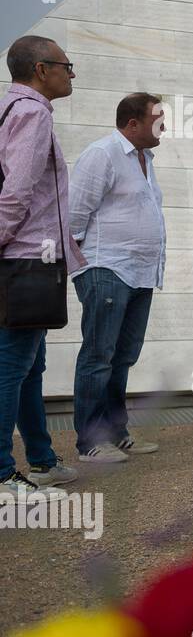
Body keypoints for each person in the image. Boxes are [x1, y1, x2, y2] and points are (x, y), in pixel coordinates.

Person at [0, 36, 85, 496]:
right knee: (12, 365)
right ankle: (2, 475)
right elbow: (17, 192)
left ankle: (41, 461)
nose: (71, 74)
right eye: (66, 66)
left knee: (30, 366)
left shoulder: (10, 110)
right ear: (40, 70)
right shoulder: (31, 113)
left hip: (30, 257)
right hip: (27, 260)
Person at [67, 92, 167, 463]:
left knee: (123, 356)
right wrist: (83, 269)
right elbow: (75, 216)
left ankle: (116, 431)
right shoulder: (102, 154)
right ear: (132, 124)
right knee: (99, 355)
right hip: (106, 269)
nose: (164, 126)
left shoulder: (145, 159)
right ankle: (90, 442)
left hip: (140, 273)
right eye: (157, 119)